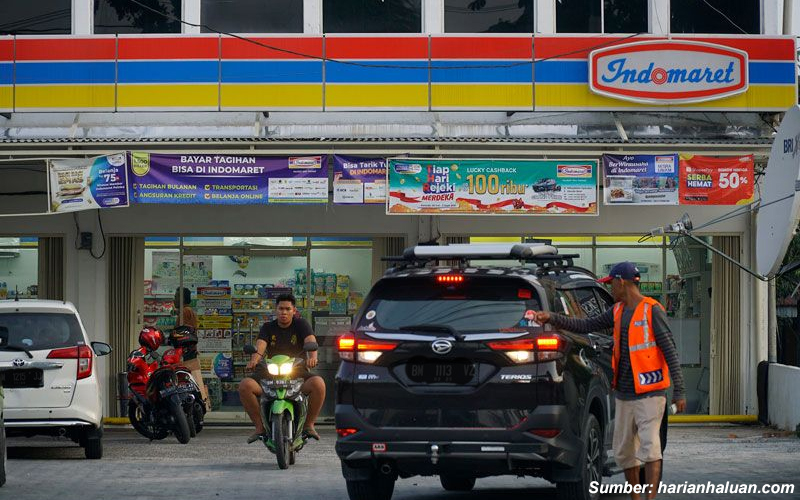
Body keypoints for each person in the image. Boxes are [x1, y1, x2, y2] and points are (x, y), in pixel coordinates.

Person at [533, 262, 686, 500]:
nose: (610, 289)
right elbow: (585, 325)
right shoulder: (616, 311)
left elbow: (670, 351)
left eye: (611, 284)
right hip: (624, 393)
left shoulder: (652, 310)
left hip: (650, 393)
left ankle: (650, 498)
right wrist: (552, 317)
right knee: (625, 453)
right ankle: (636, 498)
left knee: (650, 448)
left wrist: (680, 391)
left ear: (621, 282)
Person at [238, 293, 326, 444]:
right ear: (275, 310)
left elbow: (310, 340)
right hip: (270, 371)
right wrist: (254, 360)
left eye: (287, 309)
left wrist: (312, 357)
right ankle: (260, 428)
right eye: (280, 309)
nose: (283, 312)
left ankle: (309, 425)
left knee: (318, 383)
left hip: (296, 371)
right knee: (245, 386)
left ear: (294, 310)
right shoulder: (268, 327)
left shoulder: (301, 324)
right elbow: (260, 346)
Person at [174, 287, 210, 412]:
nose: (174, 299)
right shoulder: (188, 311)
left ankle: (200, 405)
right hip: (190, 350)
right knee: (194, 379)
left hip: (186, 351)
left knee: (191, 380)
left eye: (176, 296)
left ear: (181, 298)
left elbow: (185, 333)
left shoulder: (185, 312)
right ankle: (201, 405)